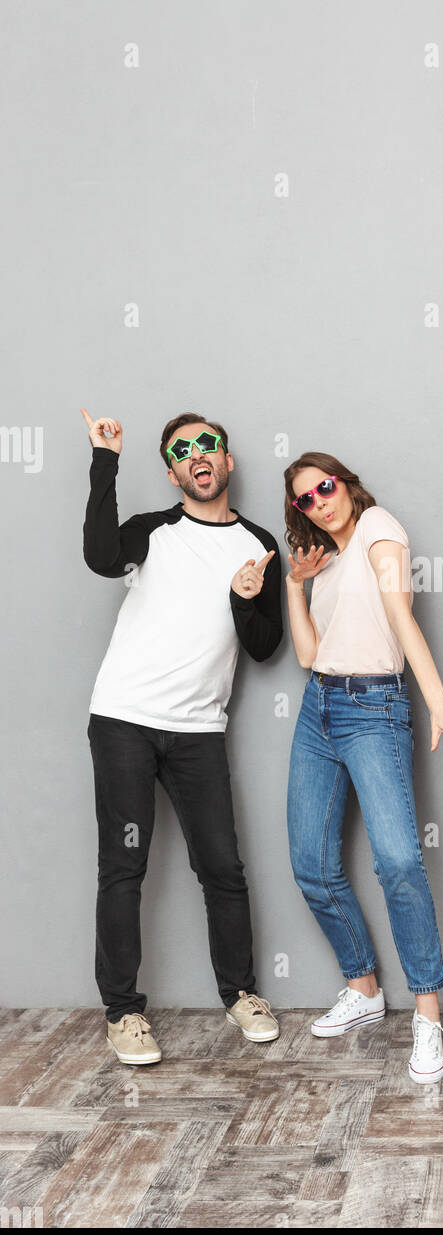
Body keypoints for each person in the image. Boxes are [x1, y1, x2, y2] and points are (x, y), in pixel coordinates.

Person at [82, 409, 282, 1064]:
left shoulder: (257, 546)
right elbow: (99, 557)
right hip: (125, 721)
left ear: (226, 461)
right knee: (124, 866)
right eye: (183, 450)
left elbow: (263, 648)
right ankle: (123, 1012)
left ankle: (241, 993)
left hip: (199, 730)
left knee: (222, 867)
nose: (197, 455)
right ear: (173, 471)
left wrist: (248, 598)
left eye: (208, 445)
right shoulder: (150, 532)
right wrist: (105, 457)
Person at [284, 451, 443, 1085]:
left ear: (345, 484)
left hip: (375, 708)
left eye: (325, 487)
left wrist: (437, 699)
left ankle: (428, 1016)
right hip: (319, 708)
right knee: (311, 863)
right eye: (305, 500)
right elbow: (309, 654)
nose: (320, 501)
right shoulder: (326, 563)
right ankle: (364, 987)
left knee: (397, 860)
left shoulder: (379, 528)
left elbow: (400, 614)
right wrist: (295, 583)